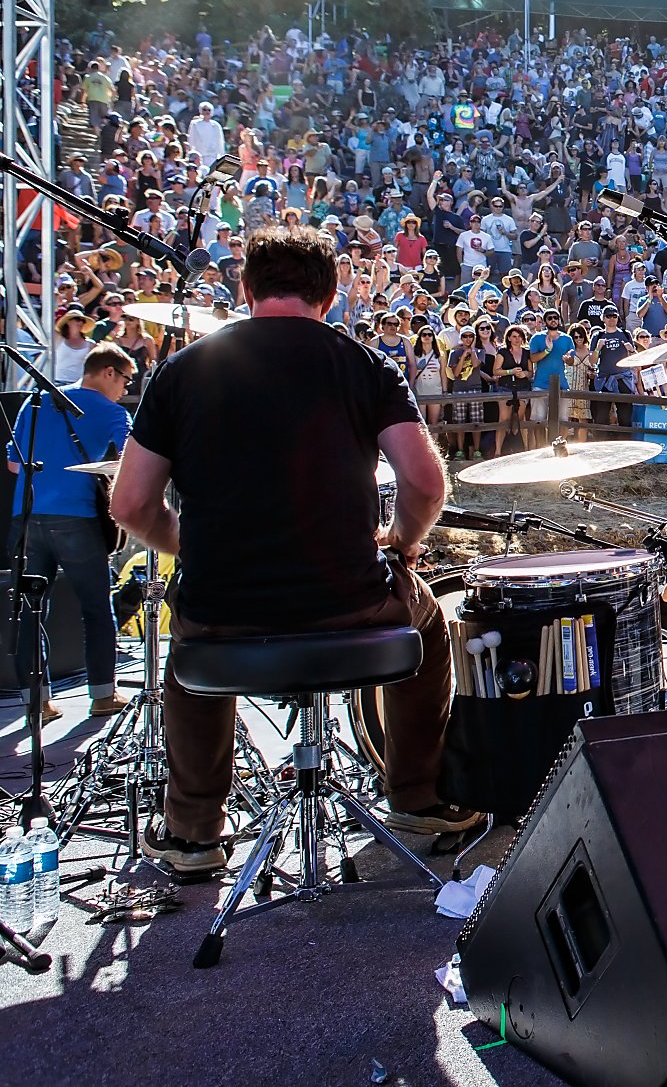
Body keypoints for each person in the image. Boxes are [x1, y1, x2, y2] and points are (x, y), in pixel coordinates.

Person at [111, 225, 477, 877]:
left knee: (191, 630)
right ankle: (416, 796)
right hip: (349, 604)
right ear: (332, 296)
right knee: (430, 621)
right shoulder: (365, 364)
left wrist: (187, 547)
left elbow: (131, 504)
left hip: (225, 613)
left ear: (245, 289)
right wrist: (403, 542)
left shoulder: (183, 371)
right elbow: (423, 481)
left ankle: (194, 831)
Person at [5, 342, 136, 721]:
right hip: (76, 519)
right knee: (96, 608)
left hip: (26, 517)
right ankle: (102, 695)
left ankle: (37, 703)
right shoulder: (111, 412)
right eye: (125, 380)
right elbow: (129, 463)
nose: (125, 389)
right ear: (108, 372)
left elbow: (14, 465)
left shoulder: (33, 402)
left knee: (30, 611)